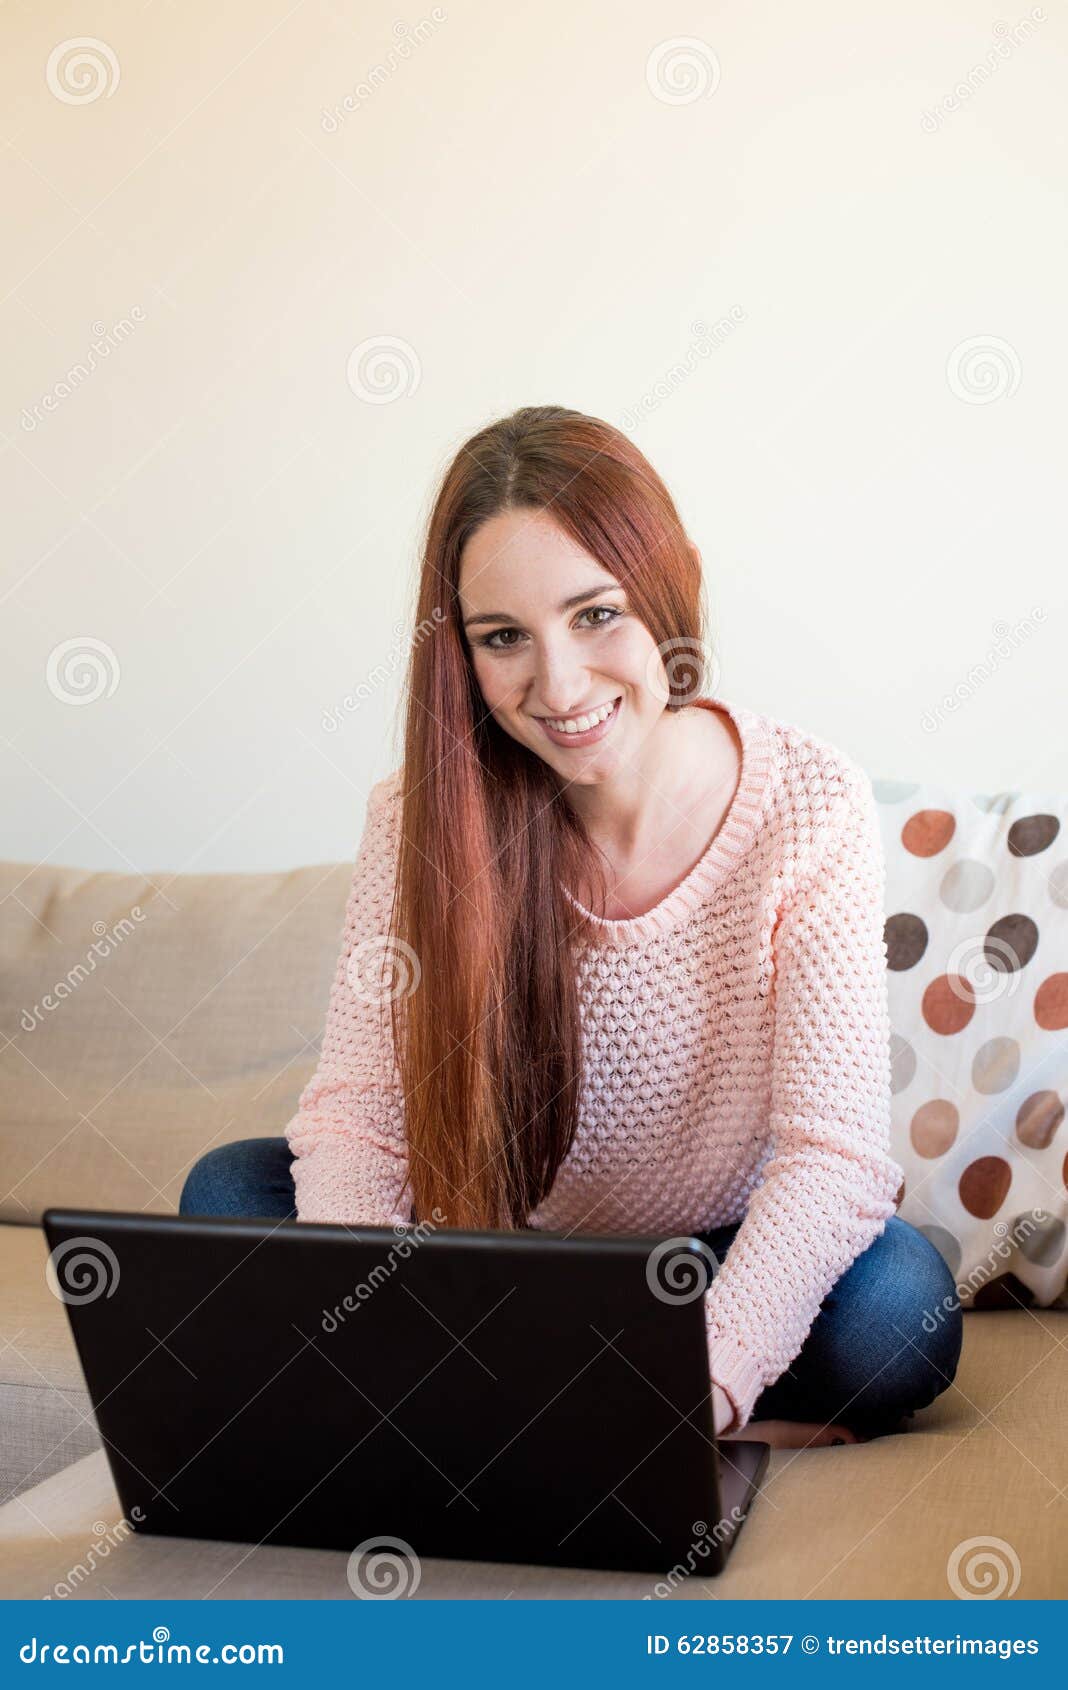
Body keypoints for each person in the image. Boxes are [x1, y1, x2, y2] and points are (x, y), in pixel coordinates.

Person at [180, 404, 963, 1451]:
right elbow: (362, 1117)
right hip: (494, 1264)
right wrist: (373, 1339)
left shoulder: (810, 803)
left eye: (595, 614)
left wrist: (693, 1390)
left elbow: (834, 1157)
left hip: (710, 1264)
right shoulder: (418, 816)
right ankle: (498, 1396)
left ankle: (532, 1400)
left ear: (670, 588)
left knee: (897, 1308)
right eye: (504, 637)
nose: (558, 686)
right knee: (229, 1194)